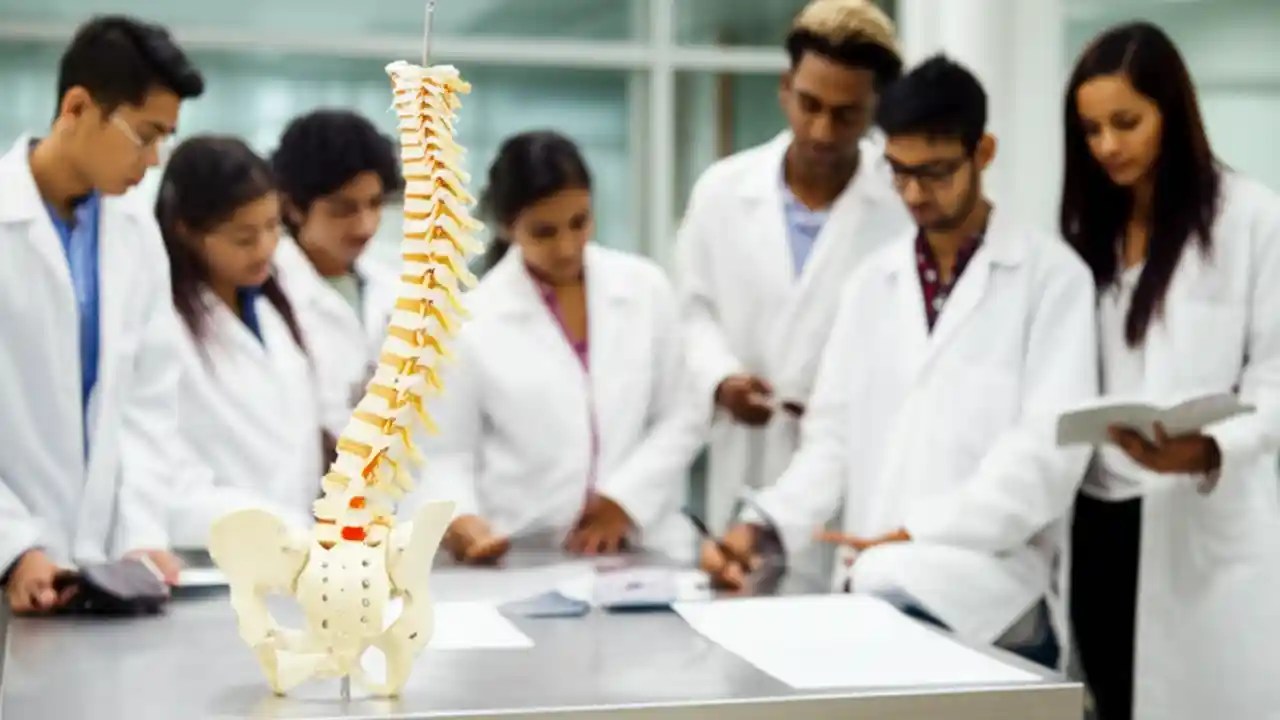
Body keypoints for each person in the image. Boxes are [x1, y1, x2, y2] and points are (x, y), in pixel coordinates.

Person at [699, 56, 1097, 669]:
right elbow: (830, 443)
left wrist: (918, 530)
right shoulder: (871, 284)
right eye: (900, 172)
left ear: (982, 152)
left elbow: (1047, 456)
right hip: (879, 591)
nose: (914, 193)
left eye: (935, 173)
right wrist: (764, 524)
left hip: (994, 593)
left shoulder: (1051, 280)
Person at [1062, 22, 1280, 720]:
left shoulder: (1252, 219)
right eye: (1091, 130)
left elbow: (1277, 375)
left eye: (1126, 123)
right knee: (1113, 698)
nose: (1107, 147)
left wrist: (1210, 447)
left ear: (1172, 111)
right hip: (1098, 514)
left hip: (1198, 512)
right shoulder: (1087, 224)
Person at [675, 0, 912, 534]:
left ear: (877, 107)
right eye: (810, 104)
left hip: (857, 468)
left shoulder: (902, 206)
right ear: (785, 88)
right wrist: (722, 379)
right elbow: (692, 314)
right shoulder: (722, 191)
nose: (823, 130)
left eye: (846, 113)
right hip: (746, 454)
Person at [419, 131, 700, 564]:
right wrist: (463, 520)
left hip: (641, 544)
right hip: (524, 548)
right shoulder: (466, 322)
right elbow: (446, 452)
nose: (567, 247)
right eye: (544, 232)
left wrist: (624, 501)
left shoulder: (644, 288)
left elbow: (683, 413)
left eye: (580, 222)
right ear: (506, 227)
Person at [0, 16, 204, 612]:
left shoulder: (135, 231)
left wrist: (142, 537)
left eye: (166, 138)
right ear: (78, 106)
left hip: (99, 578)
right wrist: (15, 546)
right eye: (145, 135)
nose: (154, 158)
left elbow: (149, 403)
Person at [157, 137, 327, 546]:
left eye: (273, 228)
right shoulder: (165, 326)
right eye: (244, 237)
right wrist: (283, 527)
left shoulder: (273, 311)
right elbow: (170, 482)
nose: (266, 248)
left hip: (294, 550)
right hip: (212, 554)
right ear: (186, 232)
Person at [270, 110, 402, 436]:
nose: (365, 226)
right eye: (343, 209)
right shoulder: (266, 292)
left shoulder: (391, 285)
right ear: (292, 208)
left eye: (374, 204)